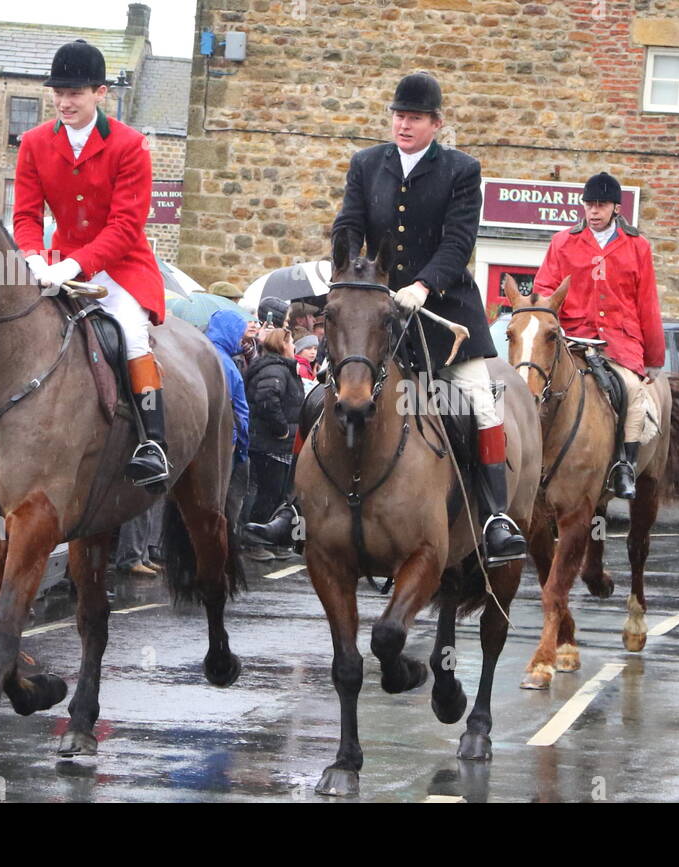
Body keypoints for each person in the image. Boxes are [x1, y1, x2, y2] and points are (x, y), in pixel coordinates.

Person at [246, 71, 526, 564]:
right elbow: (349, 223)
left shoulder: (462, 170)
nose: (404, 124)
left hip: (441, 315)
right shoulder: (366, 163)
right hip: (372, 312)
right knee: (318, 398)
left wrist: (422, 285)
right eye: (399, 116)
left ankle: (495, 516)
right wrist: (353, 271)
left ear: (435, 124)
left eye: (414, 118)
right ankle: (292, 509)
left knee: (482, 400)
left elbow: (459, 241)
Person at [0, 40, 170, 488]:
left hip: (120, 266)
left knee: (129, 331)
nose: (65, 102)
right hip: (51, 259)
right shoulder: (33, 142)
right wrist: (31, 256)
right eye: (59, 92)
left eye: (75, 93)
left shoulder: (131, 146)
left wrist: (73, 267)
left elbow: (127, 226)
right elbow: (26, 215)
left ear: (100, 93)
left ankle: (153, 442)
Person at [531, 170, 666, 500]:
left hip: (620, 342)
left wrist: (654, 359)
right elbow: (544, 286)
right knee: (537, 385)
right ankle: (532, 459)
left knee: (633, 393)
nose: (593, 211)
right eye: (589, 204)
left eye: (601, 205)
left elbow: (647, 302)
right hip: (573, 336)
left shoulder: (638, 246)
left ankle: (624, 465)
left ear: (616, 208)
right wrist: (552, 317)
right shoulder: (563, 241)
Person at [244, 328, 304, 559]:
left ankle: (270, 539)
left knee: (278, 494)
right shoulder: (275, 369)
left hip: (278, 445)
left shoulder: (280, 368)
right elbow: (267, 401)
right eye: (291, 342)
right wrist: (281, 431)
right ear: (282, 344)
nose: (294, 347)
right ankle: (253, 541)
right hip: (269, 445)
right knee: (267, 494)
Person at [204, 309, 252, 545]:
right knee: (222, 504)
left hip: (215, 440)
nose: (242, 340)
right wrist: (236, 442)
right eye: (240, 333)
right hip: (225, 444)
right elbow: (230, 407)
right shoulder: (222, 362)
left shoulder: (208, 354)